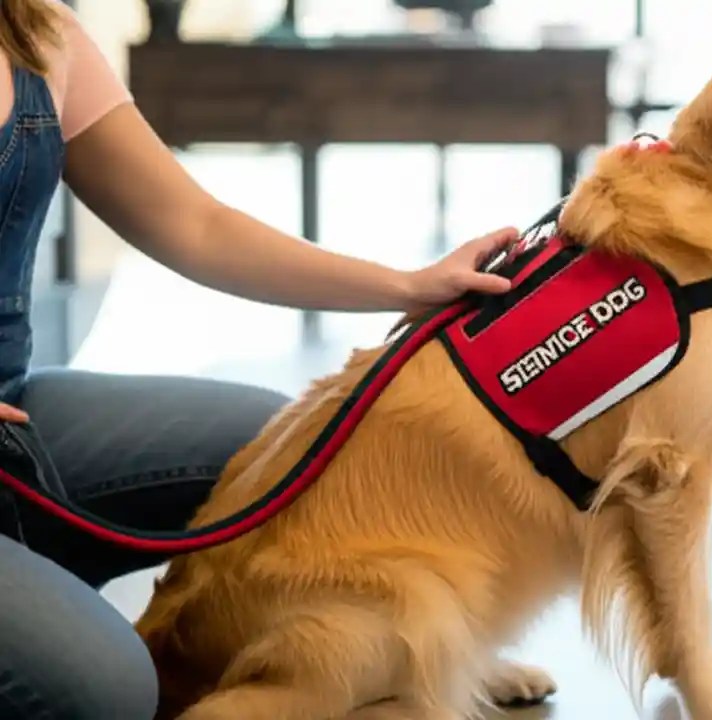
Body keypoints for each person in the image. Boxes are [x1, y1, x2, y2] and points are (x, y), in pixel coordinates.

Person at [0, 2, 519, 718]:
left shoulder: (36, 29)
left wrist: (406, 286)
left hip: (12, 407)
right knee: (107, 692)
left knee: (293, 452)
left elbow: (198, 225)